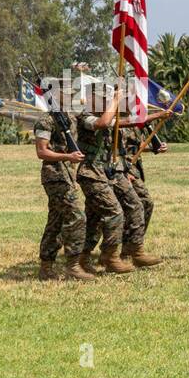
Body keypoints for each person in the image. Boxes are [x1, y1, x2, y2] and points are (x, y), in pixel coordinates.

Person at [73, 85, 141, 274]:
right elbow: (102, 123)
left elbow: (123, 122)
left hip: (104, 172)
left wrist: (152, 117)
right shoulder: (85, 115)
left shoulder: (106, 115)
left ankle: (83, 257)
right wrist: (115, 100)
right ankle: (110, 257)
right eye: (102, 98)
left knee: (94, 218)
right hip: (89, 173)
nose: (105, 102)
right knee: (114, 212)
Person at [32, 90, 92, 281]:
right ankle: (73, 265)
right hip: (55, 177)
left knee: (56, 220)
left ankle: (46, 266)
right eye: (66, 95)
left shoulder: (71, 118)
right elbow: (41, 152)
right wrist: (68, 156)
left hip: (68, 175)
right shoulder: (45, 121)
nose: (71, 98)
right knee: (77, 216)